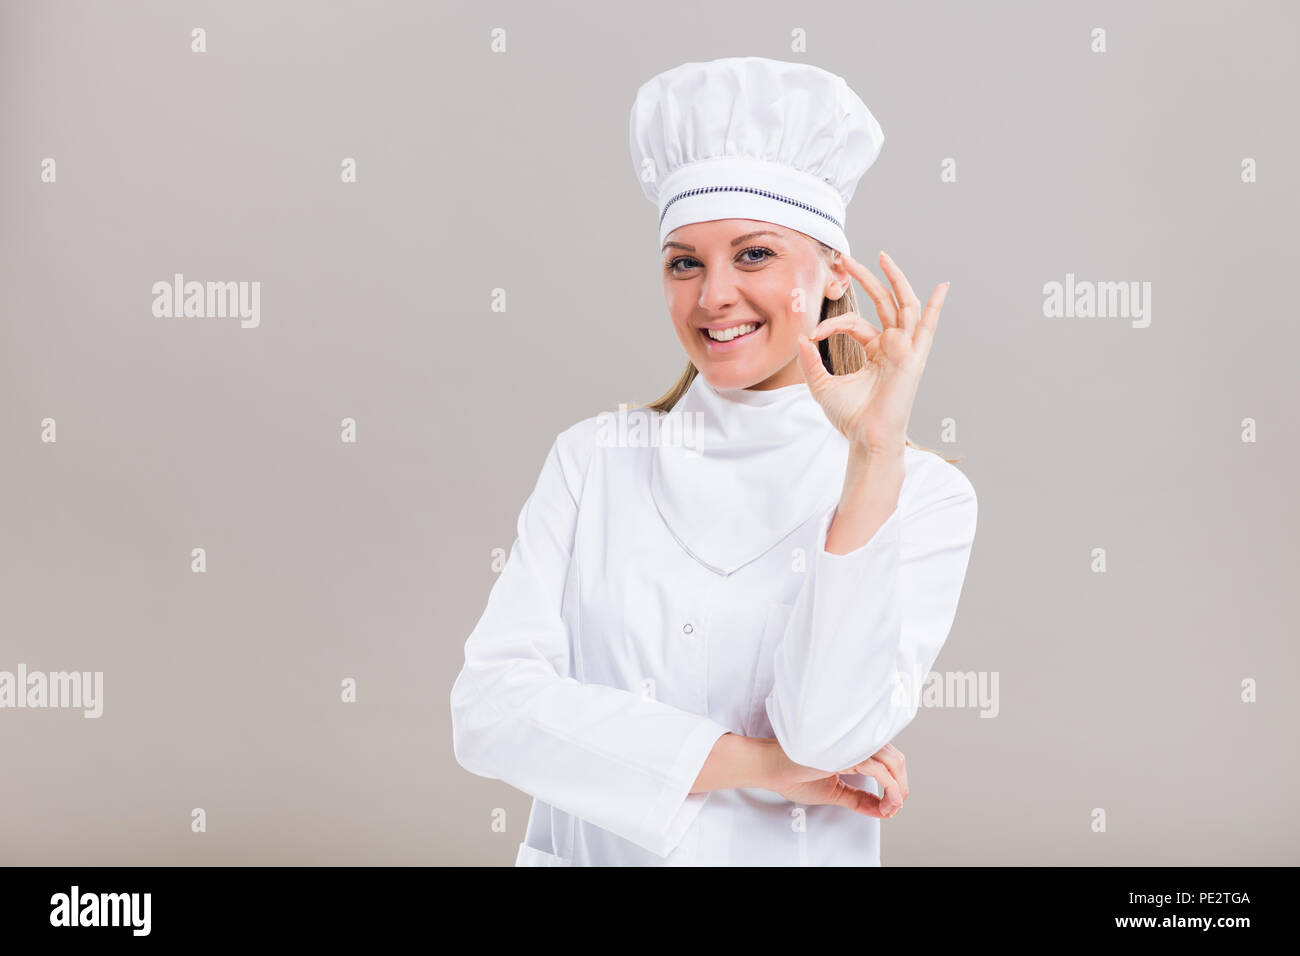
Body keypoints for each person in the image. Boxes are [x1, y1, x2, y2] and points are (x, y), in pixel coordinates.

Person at [450, 56, 978, 866]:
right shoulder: (594, 460)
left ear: (835, 269)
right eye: (684, 261)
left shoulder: (925, 496)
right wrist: (760, 766)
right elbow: (488, 712)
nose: (713, 296)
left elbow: (828, 733)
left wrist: (872, 456)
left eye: (755, 254)